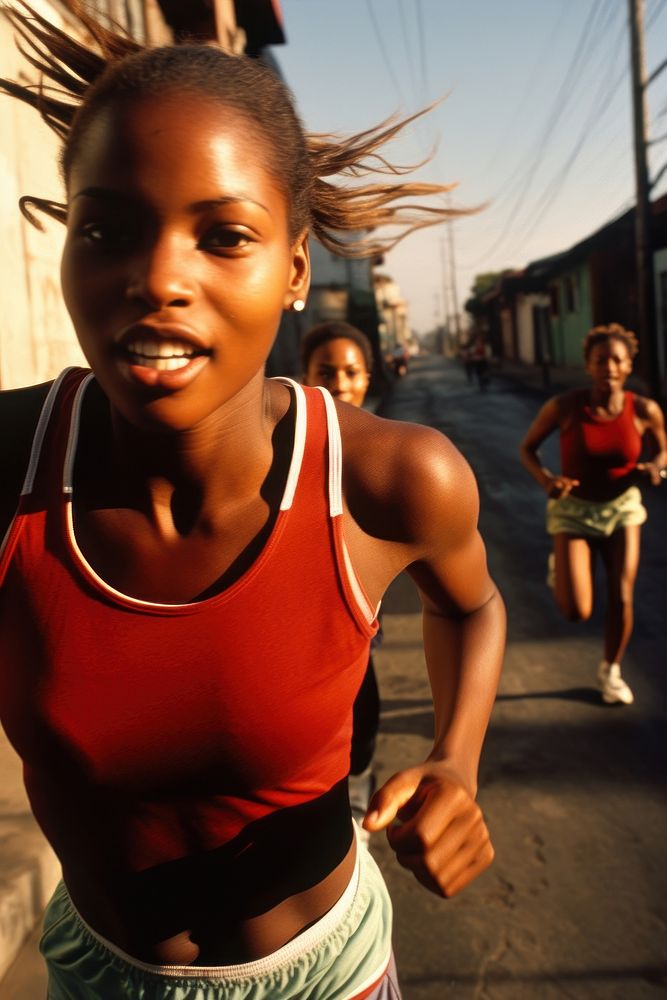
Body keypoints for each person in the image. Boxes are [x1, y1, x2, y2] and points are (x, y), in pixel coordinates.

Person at [0, 4, 505, 998]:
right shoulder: (13, 465)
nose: (158, 278)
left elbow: (472, 603)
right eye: (106, 229)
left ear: (294, 269)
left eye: (224, 236)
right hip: (96, 974)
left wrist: (456, 759)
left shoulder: (388, 480)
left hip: (328, 976)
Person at [520, 323, 666, 706]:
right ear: (588, 365)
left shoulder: (645, 410)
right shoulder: (565, 407)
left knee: (622, 594)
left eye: (617, 360)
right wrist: (547, 481)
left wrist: (655, 468)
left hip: (622, 510)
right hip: (573, 512)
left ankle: (611, 671)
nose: (609, 368)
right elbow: (528, 449)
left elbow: (662, 452)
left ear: (629, 365)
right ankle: (562, 568)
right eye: (601, 360)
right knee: (575, 611)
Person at [301, 322, 380, 843]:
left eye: (351, 372)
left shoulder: (385, 446)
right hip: (297, 604)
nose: (339, 383)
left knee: (362, 700)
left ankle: (357, 791)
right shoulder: (284, 440)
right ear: (305, 376)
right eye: (325, 372)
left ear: (367, 379)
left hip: (356, 605)